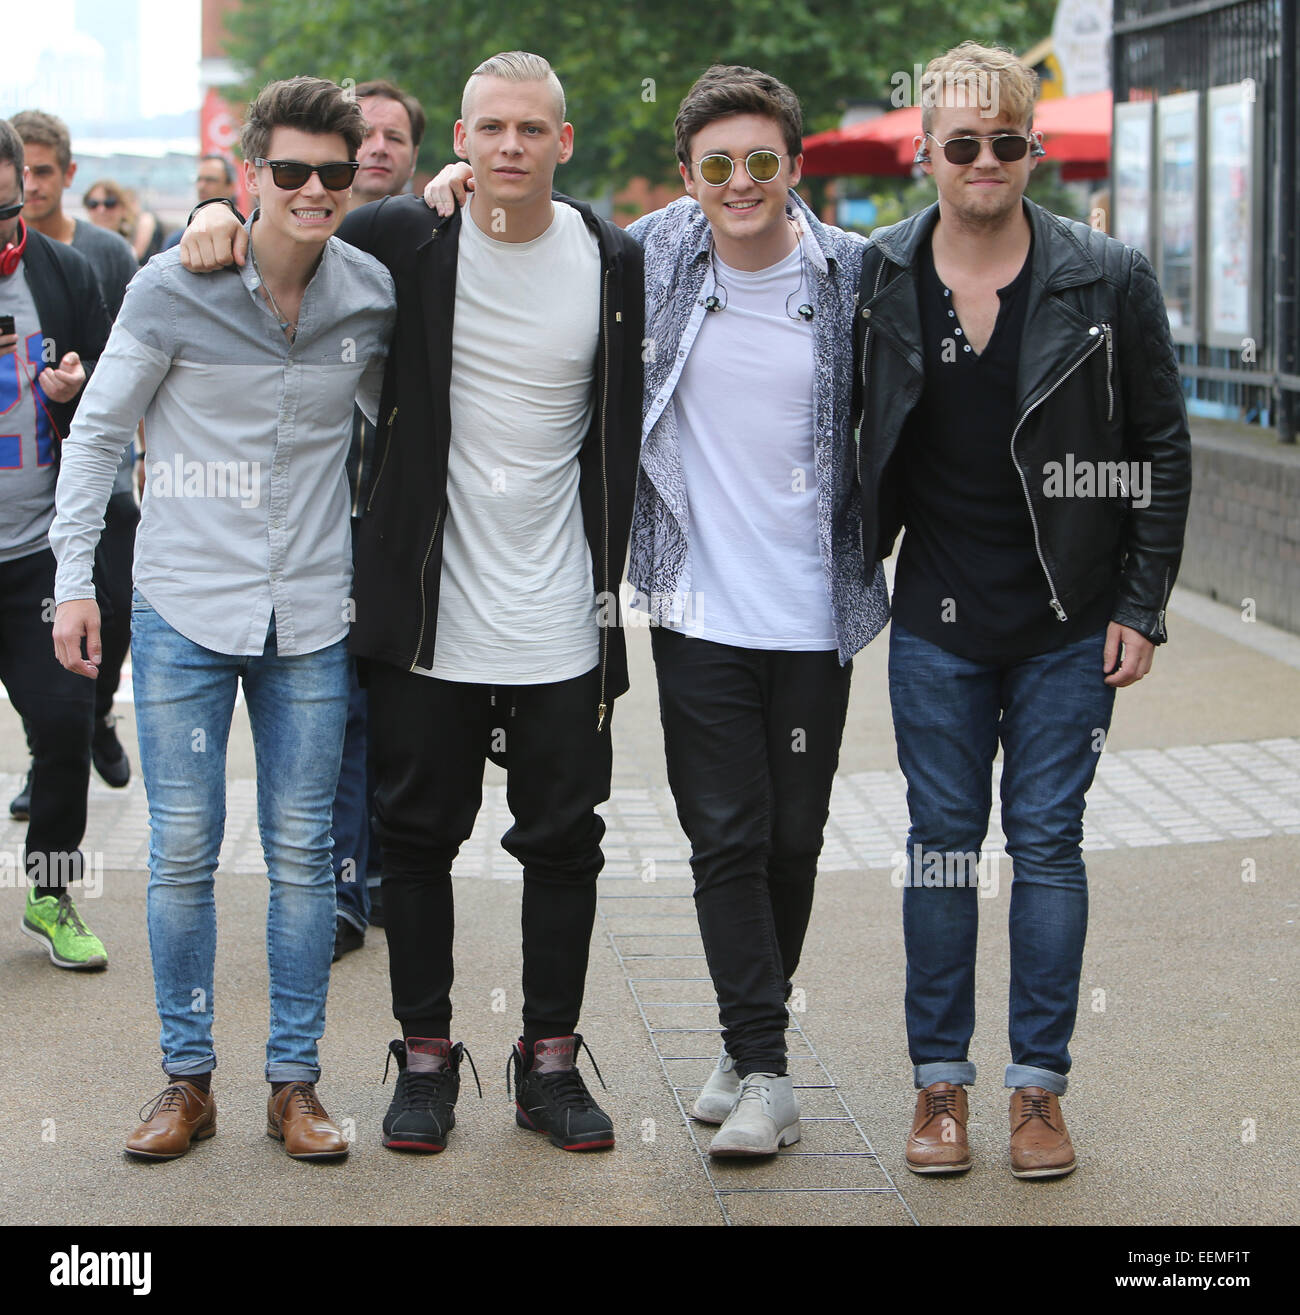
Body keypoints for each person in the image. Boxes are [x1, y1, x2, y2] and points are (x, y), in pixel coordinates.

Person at [180, 51, 644, 1157]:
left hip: (562, 611)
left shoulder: (610, 257)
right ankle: (425, 1058)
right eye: (491, 129)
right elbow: (294, 227)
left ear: (562, 143)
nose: (511, 148)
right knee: (414, 841)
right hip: (427, 610)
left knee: (563, 843)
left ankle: (547, 1062)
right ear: (464, 144)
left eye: (532, 130)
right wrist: (211, 210)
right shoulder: (406, 240)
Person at [425, 64, 888, 1159]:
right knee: (724, 836)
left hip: (818, 609)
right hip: (696, 606)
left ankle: (745, 1038)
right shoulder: (651, 256)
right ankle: (764, 1065)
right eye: (716, 165)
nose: (740, 184)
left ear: (795, 167)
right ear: (685, 178)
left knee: (793, 839)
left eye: (762, 162)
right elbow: (533, 216)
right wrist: (457, 182)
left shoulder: (860, 275)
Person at [852, 42, 1191, 1178]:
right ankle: (937, 1087)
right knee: (941, 848)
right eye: (961, 143)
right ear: (926, 153)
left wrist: (1140, 605)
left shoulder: (1105, 275)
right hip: (938, 627)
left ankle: (1036, 1092)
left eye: (1006, 142)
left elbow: (1159, 449)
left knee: (1047, 846)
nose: (985, 160)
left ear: (1031, 149)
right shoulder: (880, 275)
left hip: (1067, 623)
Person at [50, 76, 395, 1161]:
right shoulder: (170, 287)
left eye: (332, 174)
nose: (311, 191)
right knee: (183, 848)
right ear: (249, 176)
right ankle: (185, 1080)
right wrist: (72, 579)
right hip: (184, 606)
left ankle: (293, 1084)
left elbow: (405, 423)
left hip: (311, 614)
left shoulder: (370, 296)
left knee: (304, 854)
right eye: (287, 170)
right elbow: (100, 433)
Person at [0, 118, 111, 969]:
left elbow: (109, 404)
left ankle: (51, 887)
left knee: (67, 720)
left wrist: (70, 393)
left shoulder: (64, 271)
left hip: (37, 550)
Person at [9, 110, 139, 818]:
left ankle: (93, 718)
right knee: (51, 696)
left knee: (106, 617)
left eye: (40, 173)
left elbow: (127, 366)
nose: (28, 188)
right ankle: (62, 740)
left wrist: (79, 382)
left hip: (94, 482)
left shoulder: (98, 259)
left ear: (65, 174)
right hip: (28, 500)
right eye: (16, 175)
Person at [330, 78, 426, 958]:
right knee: (341, 712)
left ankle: (391, 872)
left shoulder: (437, 242)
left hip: (405, 526)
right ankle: (342, 887)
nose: (378, 148)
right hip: (323, 521)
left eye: (395, 137)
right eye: (365, 133)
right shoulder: (306, 241)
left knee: (396, 708)